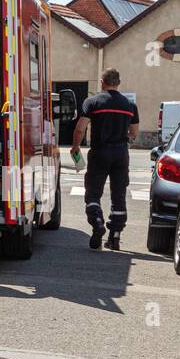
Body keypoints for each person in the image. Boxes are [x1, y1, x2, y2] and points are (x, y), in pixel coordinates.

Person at [71, 67, 139, 251]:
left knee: (93, 192)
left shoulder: (92, 102)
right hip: (121, 154)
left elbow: (80, 128)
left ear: (102, 82)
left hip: (99, 152)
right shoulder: (129, 105)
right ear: (119, 83)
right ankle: (115, 236)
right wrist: (126, 141)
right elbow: (134, 133)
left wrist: (76, 146)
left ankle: (97, 222)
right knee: (119, 194)